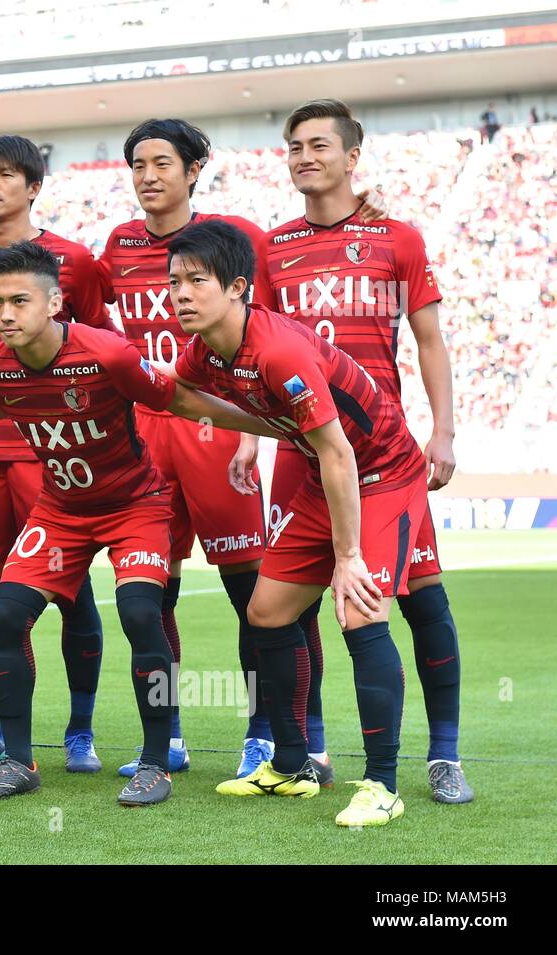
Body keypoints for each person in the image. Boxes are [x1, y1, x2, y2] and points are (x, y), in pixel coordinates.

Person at [96, 118, 387, 782]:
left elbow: (270, 331)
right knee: (151, 593)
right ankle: (166, 734)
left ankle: (275, 733)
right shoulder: (116, 245)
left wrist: (253, 437)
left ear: (194, 169)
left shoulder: (240, 242)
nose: (148, 175)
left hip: (218, 429)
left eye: (162, 162)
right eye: (137, 163)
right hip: (148, 429)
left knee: (252, 590)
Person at [0, 241, 278, 805]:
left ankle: (157, 761)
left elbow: (179, 398)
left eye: (19, 300)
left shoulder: (106, 354)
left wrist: (268, 425)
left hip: (136, 504)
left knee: (139, 611)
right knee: (7, 615)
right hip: (61, 510)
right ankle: (18, 761)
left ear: (56, 302)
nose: (5, 315)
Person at [168, 219, 428, 828]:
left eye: (195, 280)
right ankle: (291, 764)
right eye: (174, 280)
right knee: (266, 613)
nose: (180, 293)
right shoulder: (206, 349)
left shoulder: (279, 348)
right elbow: (179, 397)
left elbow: (340, 452)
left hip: (384, 472)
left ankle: (382, 785)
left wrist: (347, 556)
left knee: (359, 609)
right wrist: (263, 427)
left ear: (237, 287)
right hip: (325, 474)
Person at [256, 98, 472, 804]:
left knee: (416, 602)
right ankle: (307, 749)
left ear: (353, 157)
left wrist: (442, 428)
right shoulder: (272, 247)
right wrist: (240, 438)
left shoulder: (398, 238)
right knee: (289, 605)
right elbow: (257, 351)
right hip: (302, 451)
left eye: (319, 144)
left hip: (381, 458)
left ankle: (442, 755)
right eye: (294, 145)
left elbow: (430, 340)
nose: (304, 155)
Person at [0, 134, 108, 773]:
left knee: (71, 594)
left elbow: (98, 347)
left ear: (34, 186)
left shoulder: (73, 260)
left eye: (7, 174)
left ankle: (81, 731)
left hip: (51, 452)